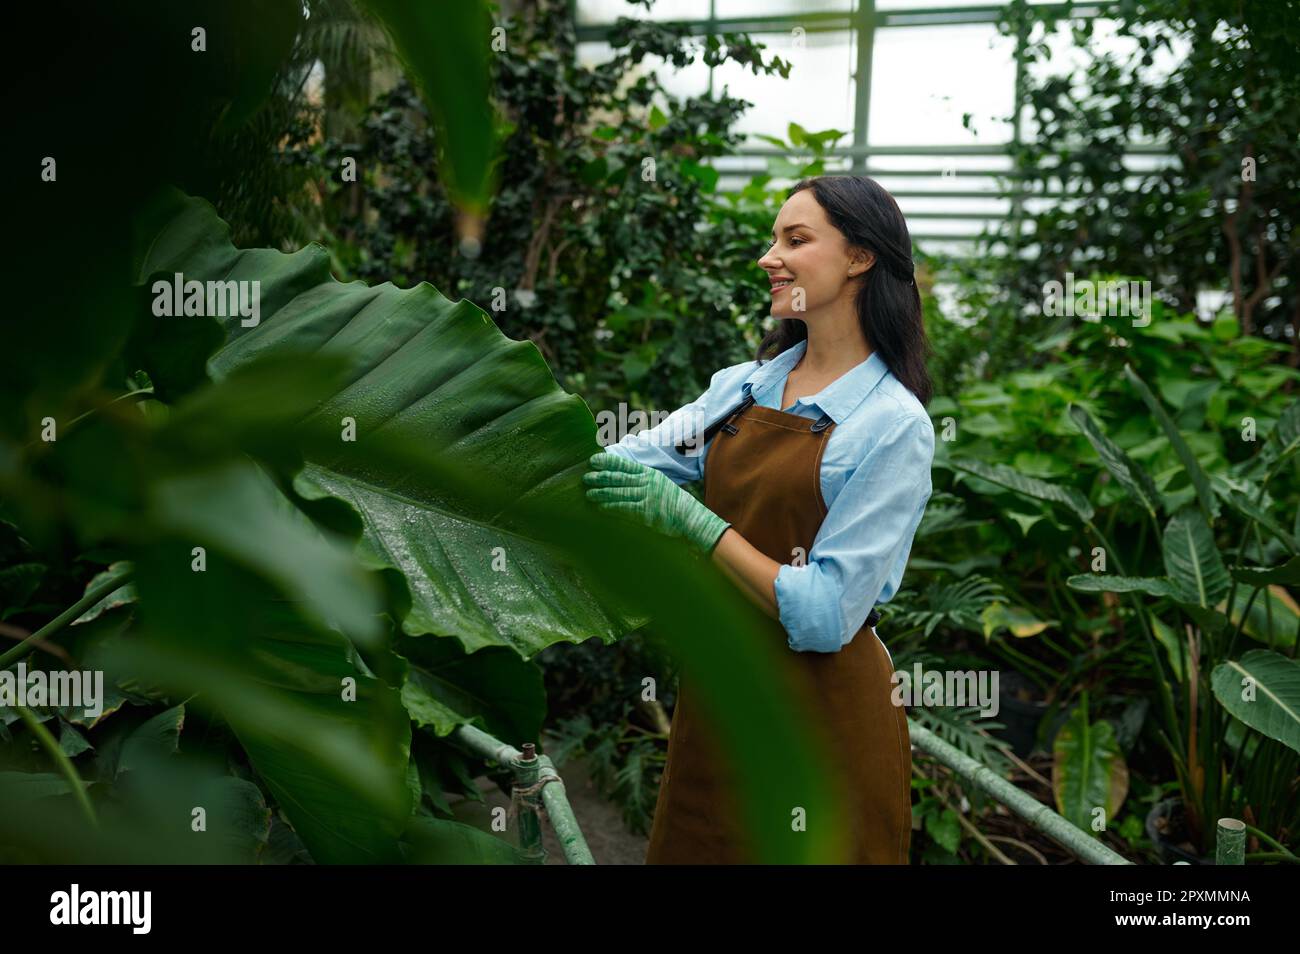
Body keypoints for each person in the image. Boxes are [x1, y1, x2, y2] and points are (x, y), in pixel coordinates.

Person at [582, 175, 935, 864]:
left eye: (795, 240)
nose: (768, 256)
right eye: (774, 238)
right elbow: (629, 463)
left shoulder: (893, 427)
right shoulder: (742, 388)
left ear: (860, 258)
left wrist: (700, 528)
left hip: (824, 713)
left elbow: (827, 614)